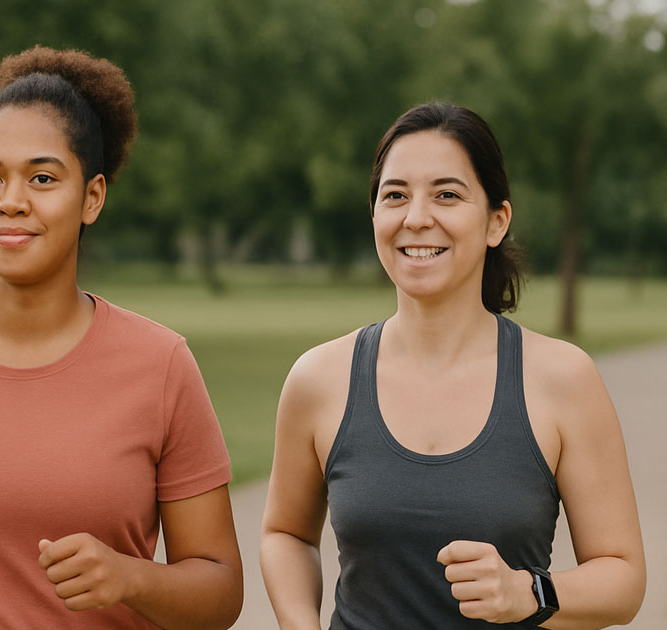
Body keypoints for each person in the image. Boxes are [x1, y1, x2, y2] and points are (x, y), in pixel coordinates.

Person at [0, 46, 242, 630]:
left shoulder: (161, 365)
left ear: (92, 197)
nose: (11, 201)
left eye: (41, 177)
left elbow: (220, 588)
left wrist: (131, 577)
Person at [258, 102, 646, 628]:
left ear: (495, 222)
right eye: (395, 195)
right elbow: (287, 534)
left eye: (447, 194)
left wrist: (529, 591)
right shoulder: (317, 379)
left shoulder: (563, 379)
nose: (416, 217)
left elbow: (623, 579)